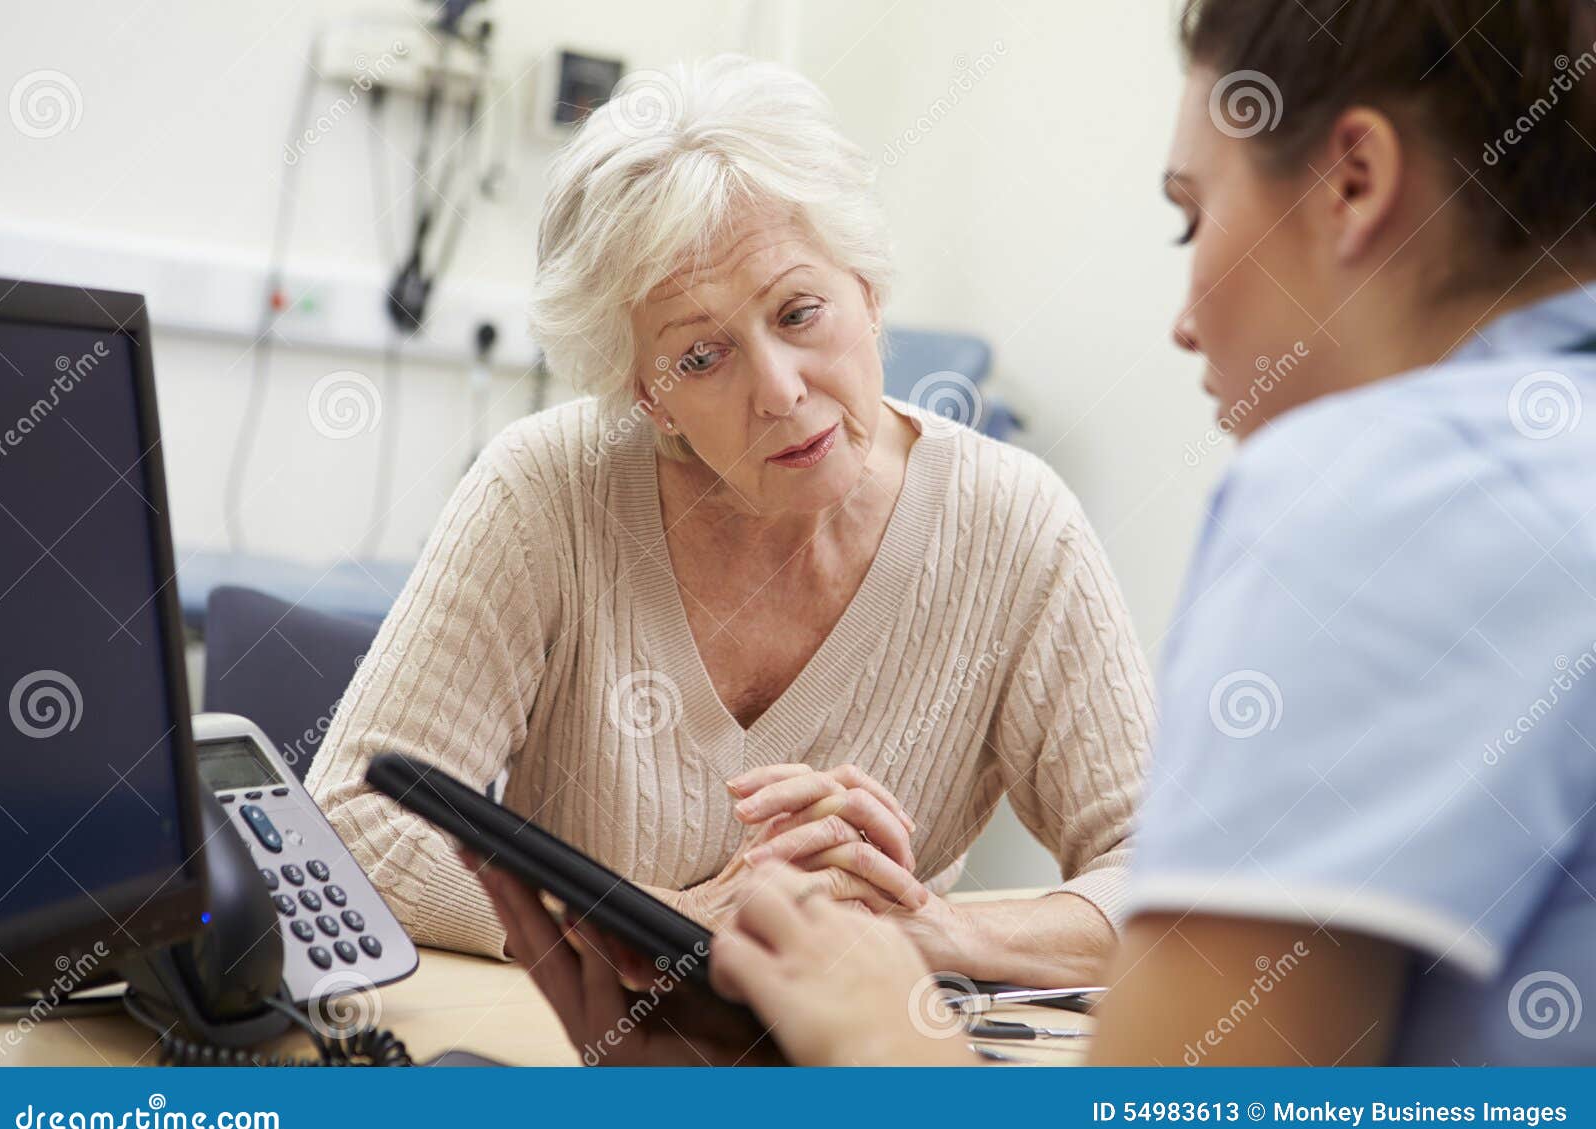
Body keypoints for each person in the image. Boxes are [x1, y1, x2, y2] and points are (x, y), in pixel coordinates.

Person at [478, 0, 1596, 1066]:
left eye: (1188, 215)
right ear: (644, 393)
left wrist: (879, 1020)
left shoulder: (1372, 491)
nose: (1183, 314)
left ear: (1352, 182)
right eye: (700, 354)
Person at [307, 55, 1155, 988]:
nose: (781, 391)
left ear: (868, 296)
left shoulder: (1016, 526)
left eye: (801, 312)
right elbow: (352, 820)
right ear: (649, 396)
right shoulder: (547, 492)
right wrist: (657, 928)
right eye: (703, 357)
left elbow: (1174, 885)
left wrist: (931, 934)